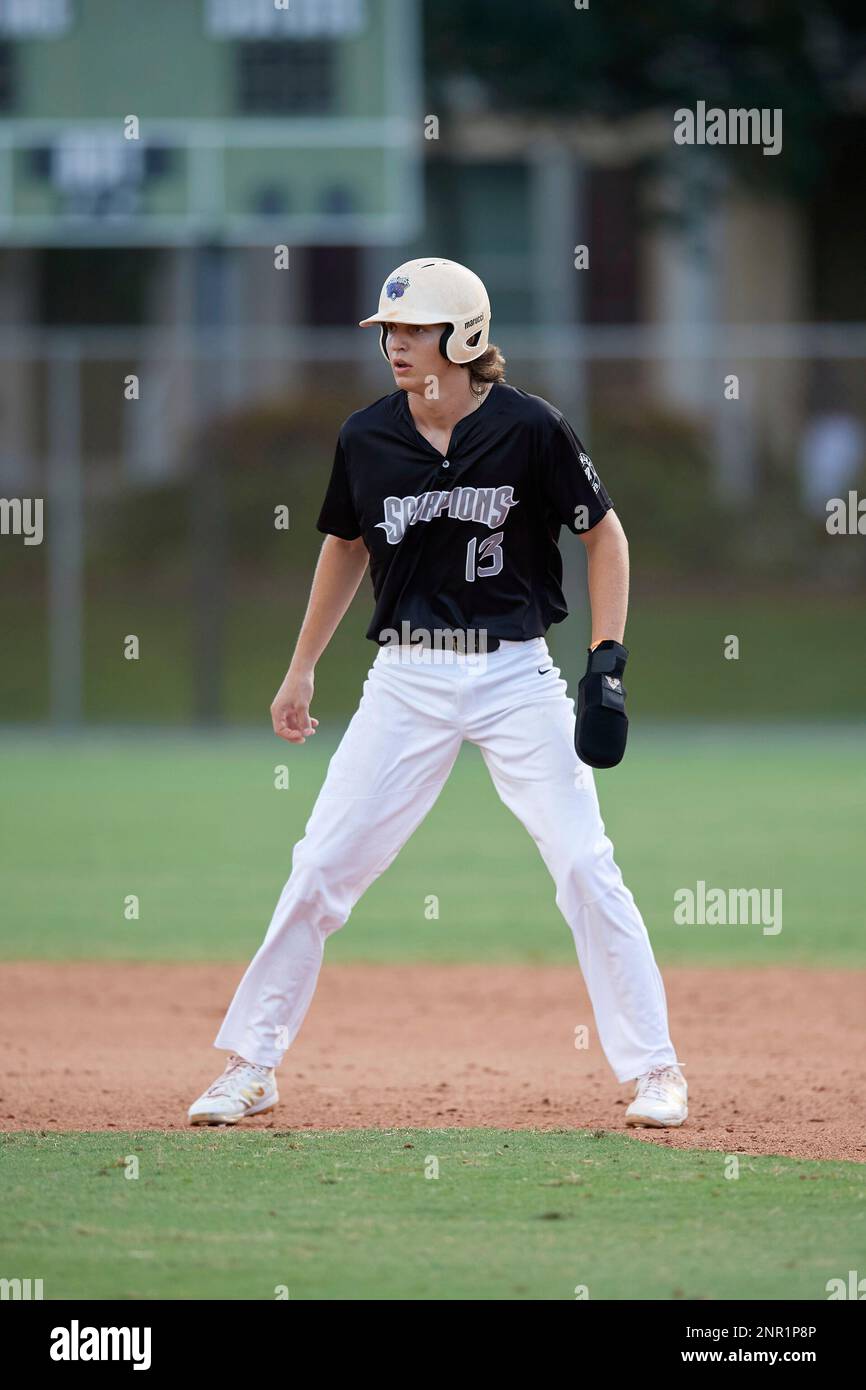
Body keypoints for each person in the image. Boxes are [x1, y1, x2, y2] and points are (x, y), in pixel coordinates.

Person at [187, 258, 687, 1130]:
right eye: (389, 332)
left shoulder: (532, 428)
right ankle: (252, 1065)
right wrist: (301, 666)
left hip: (513, 673)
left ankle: (657, 1071)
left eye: (413, 329)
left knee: (582, 864)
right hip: (406, 679)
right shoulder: (366, 437)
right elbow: (344, 546)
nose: (395, 345)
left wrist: (606, 657)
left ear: (465, 336)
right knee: (319, 870)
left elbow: (604, 534)